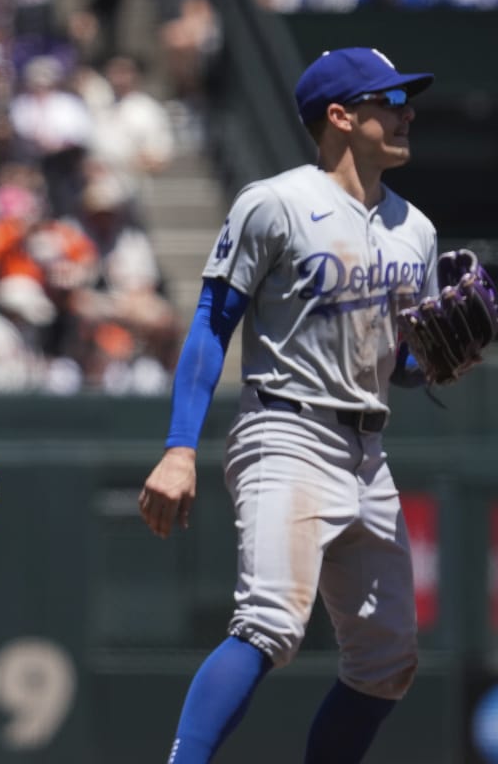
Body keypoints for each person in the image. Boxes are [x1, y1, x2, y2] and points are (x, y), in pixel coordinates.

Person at [138, 47, 437, 763]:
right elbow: (213, 322)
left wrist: (438, 359)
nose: (406, 114)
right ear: (340, 115)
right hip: (287, 428)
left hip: (369, 450)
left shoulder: (416, 230)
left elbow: (405, 366)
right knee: (270, 622)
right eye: (388, 102)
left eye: (405, 102)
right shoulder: (274, 202)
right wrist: (181, 446)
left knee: (387, 661)